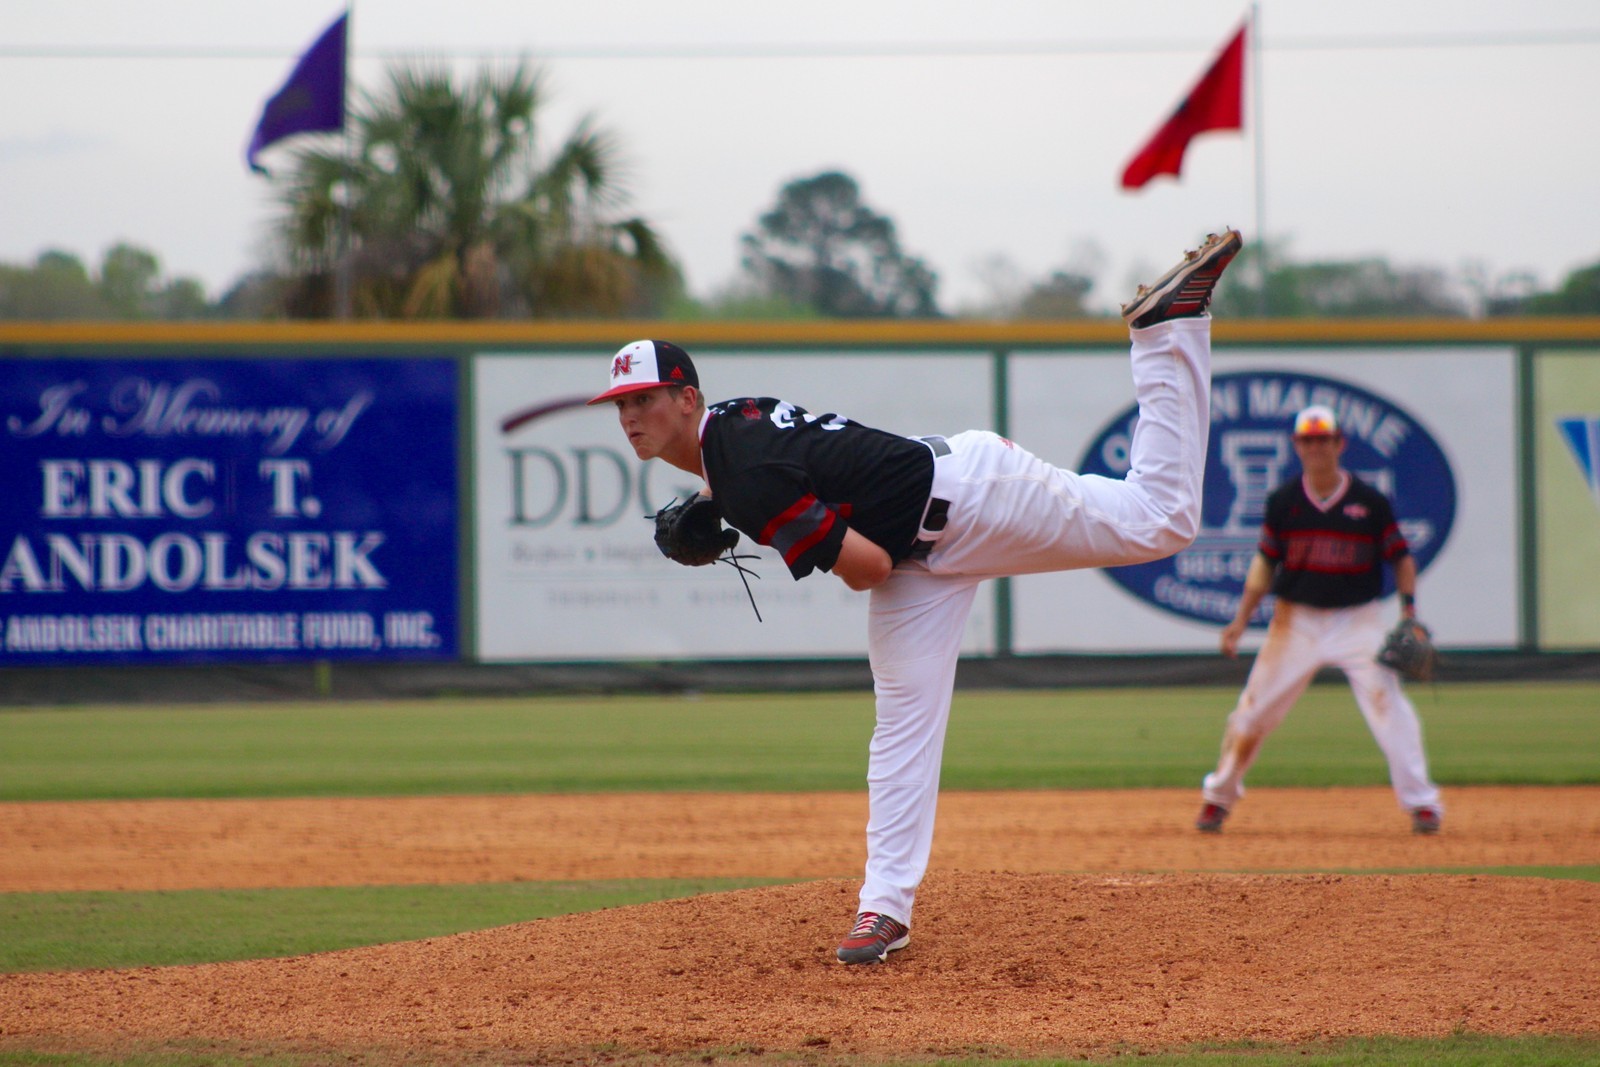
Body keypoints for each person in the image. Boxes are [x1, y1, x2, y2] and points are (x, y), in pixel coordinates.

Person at [589, 229, 1242, 964]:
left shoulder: (743, 474)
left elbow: (864, 567)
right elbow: (772, 474)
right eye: (619, 403)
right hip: (923, 545)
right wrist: (730, 501)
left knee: (1165, 519)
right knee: (900, 728)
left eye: (643, 398)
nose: (629, 416)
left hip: (976, 500)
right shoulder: (734, 424)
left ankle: (1166, 331)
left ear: (685, 396)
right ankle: (883, 909)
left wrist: (760, 522)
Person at [1194, 403, 1444, 836]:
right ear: (1296, 445)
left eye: (1323, 438)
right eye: (1307, 439)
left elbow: (1402, 560)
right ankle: (1219, 797)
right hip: (1297, 622)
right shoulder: (1284, 501)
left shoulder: (1369, 501)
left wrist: (1408, 612)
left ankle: (1422, 804)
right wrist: (1239, 621)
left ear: (1339, 443)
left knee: (1391, 709)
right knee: (1252, 714)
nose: (1315, 446)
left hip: (1358, 621)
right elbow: (1263, 566)